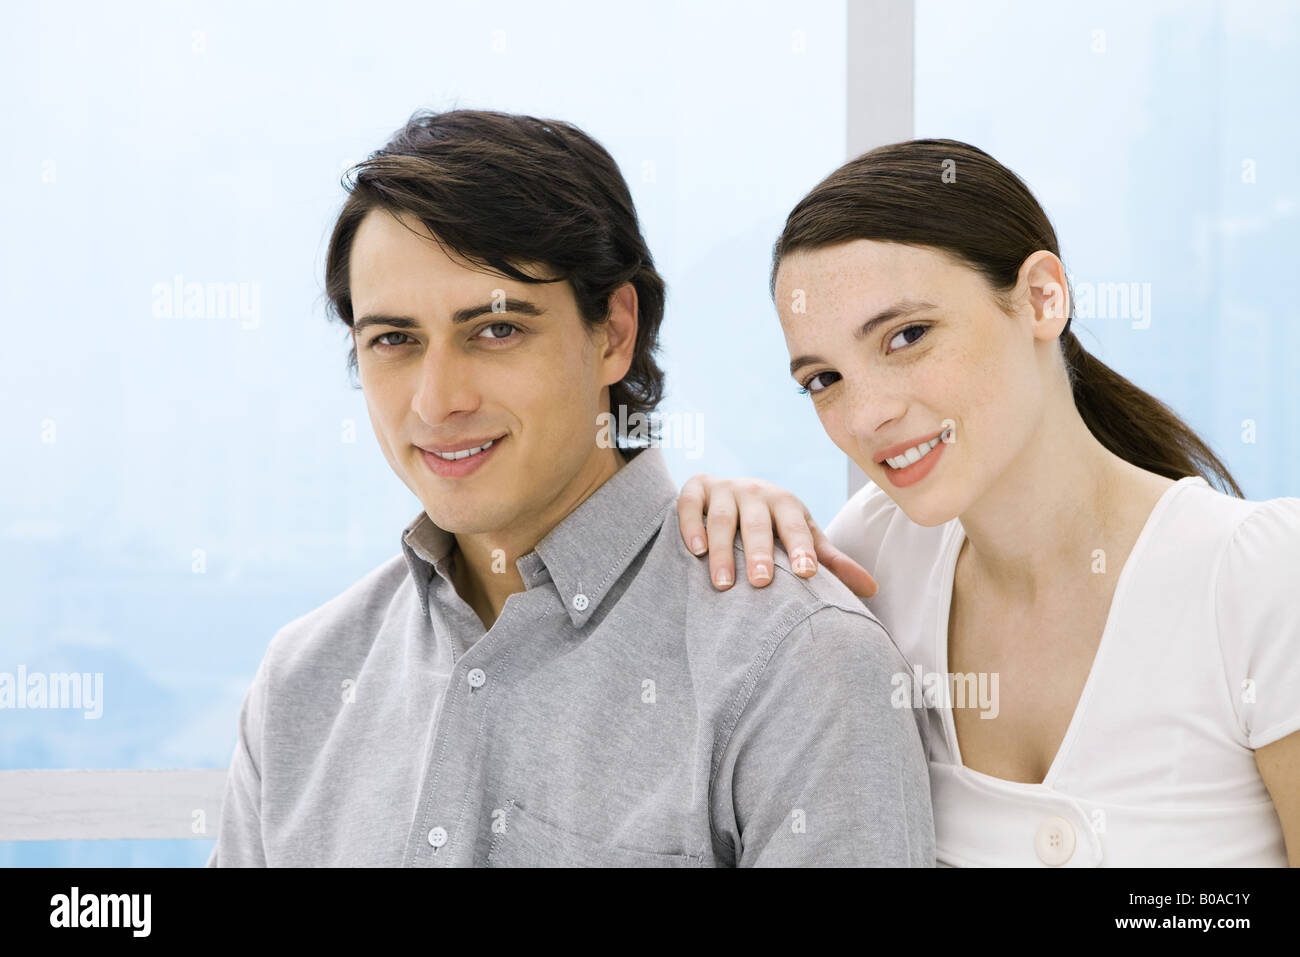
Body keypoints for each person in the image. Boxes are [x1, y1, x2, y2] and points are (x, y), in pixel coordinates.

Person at [206, 109, 935, 867]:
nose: (435, 401)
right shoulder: (303, 682)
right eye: (394, 339)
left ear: (615, 331)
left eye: (495, 330)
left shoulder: (797, 664)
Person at [676, 139, 1300, 867]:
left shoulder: (1259, 577)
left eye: (906, 335)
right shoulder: (876, 563)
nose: (866, 413)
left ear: (1041, 297)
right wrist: (735, 510)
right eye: (824, 378)